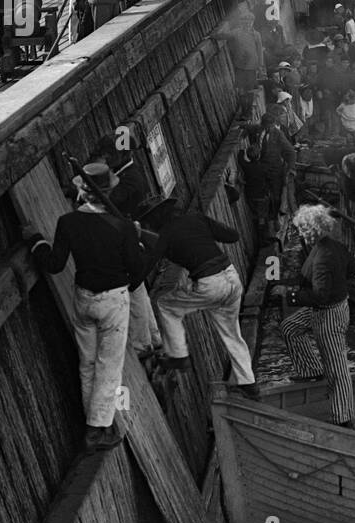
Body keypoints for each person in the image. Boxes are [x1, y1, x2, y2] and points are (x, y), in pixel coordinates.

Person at [26, 162, 144, 452]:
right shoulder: (124, 226)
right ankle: (96, 429)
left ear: (83, 192)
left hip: (83, 297)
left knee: (88, 362)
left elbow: (54, 264)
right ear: (108, 192)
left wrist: (35, 240)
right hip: (113, 298)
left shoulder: (68, 222)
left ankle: (94, 420)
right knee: (109, 367)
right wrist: (135, 241)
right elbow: (138, 271)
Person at [138, 193, 258, 398]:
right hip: (231, 277)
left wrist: (130, 282)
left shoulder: (166, 234)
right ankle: (248, 384)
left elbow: (147, 265)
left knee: (166, 305)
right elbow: (232, 236)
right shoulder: (196, 218)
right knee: (232, 334)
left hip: (209, 283)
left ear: (156, 218)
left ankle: (178, 356)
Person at [276, 204, 355, 429]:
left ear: (308, 231)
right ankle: (311, 370)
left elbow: (320, 296)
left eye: (300, 229)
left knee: (337, 369)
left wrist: (289, 294)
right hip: (333, 306)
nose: (298, 233)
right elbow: (352, 270)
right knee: (290, 328)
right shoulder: (335, 246)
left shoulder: (323, 257)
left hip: (329, 315)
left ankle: (344, 417)